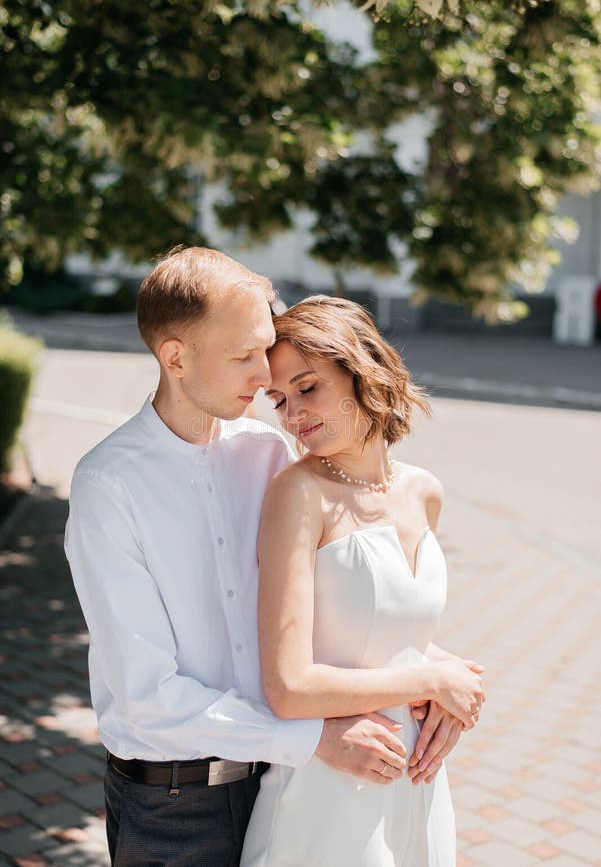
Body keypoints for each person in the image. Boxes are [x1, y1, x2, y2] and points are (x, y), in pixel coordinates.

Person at [64, 247, 418, 867]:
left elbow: (341, 603)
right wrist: (312, 740)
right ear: (175, 357)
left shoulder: (271, 455)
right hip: (175, 808)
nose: (266, 375)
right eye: (244, 356)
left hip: (287, 788)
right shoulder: (107, 484)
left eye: (264, 347)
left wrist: (434, 682)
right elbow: (149, 696)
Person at [240, 296, 485, 867]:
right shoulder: (298, 494)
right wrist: (429, 679)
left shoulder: (425, 490)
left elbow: (388, 634)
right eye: (279, 399)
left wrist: (459, 684)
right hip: (331, 786)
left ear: (360, 368)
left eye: (308, 387)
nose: (293, 413)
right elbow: (288, 685)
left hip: (416, 779)